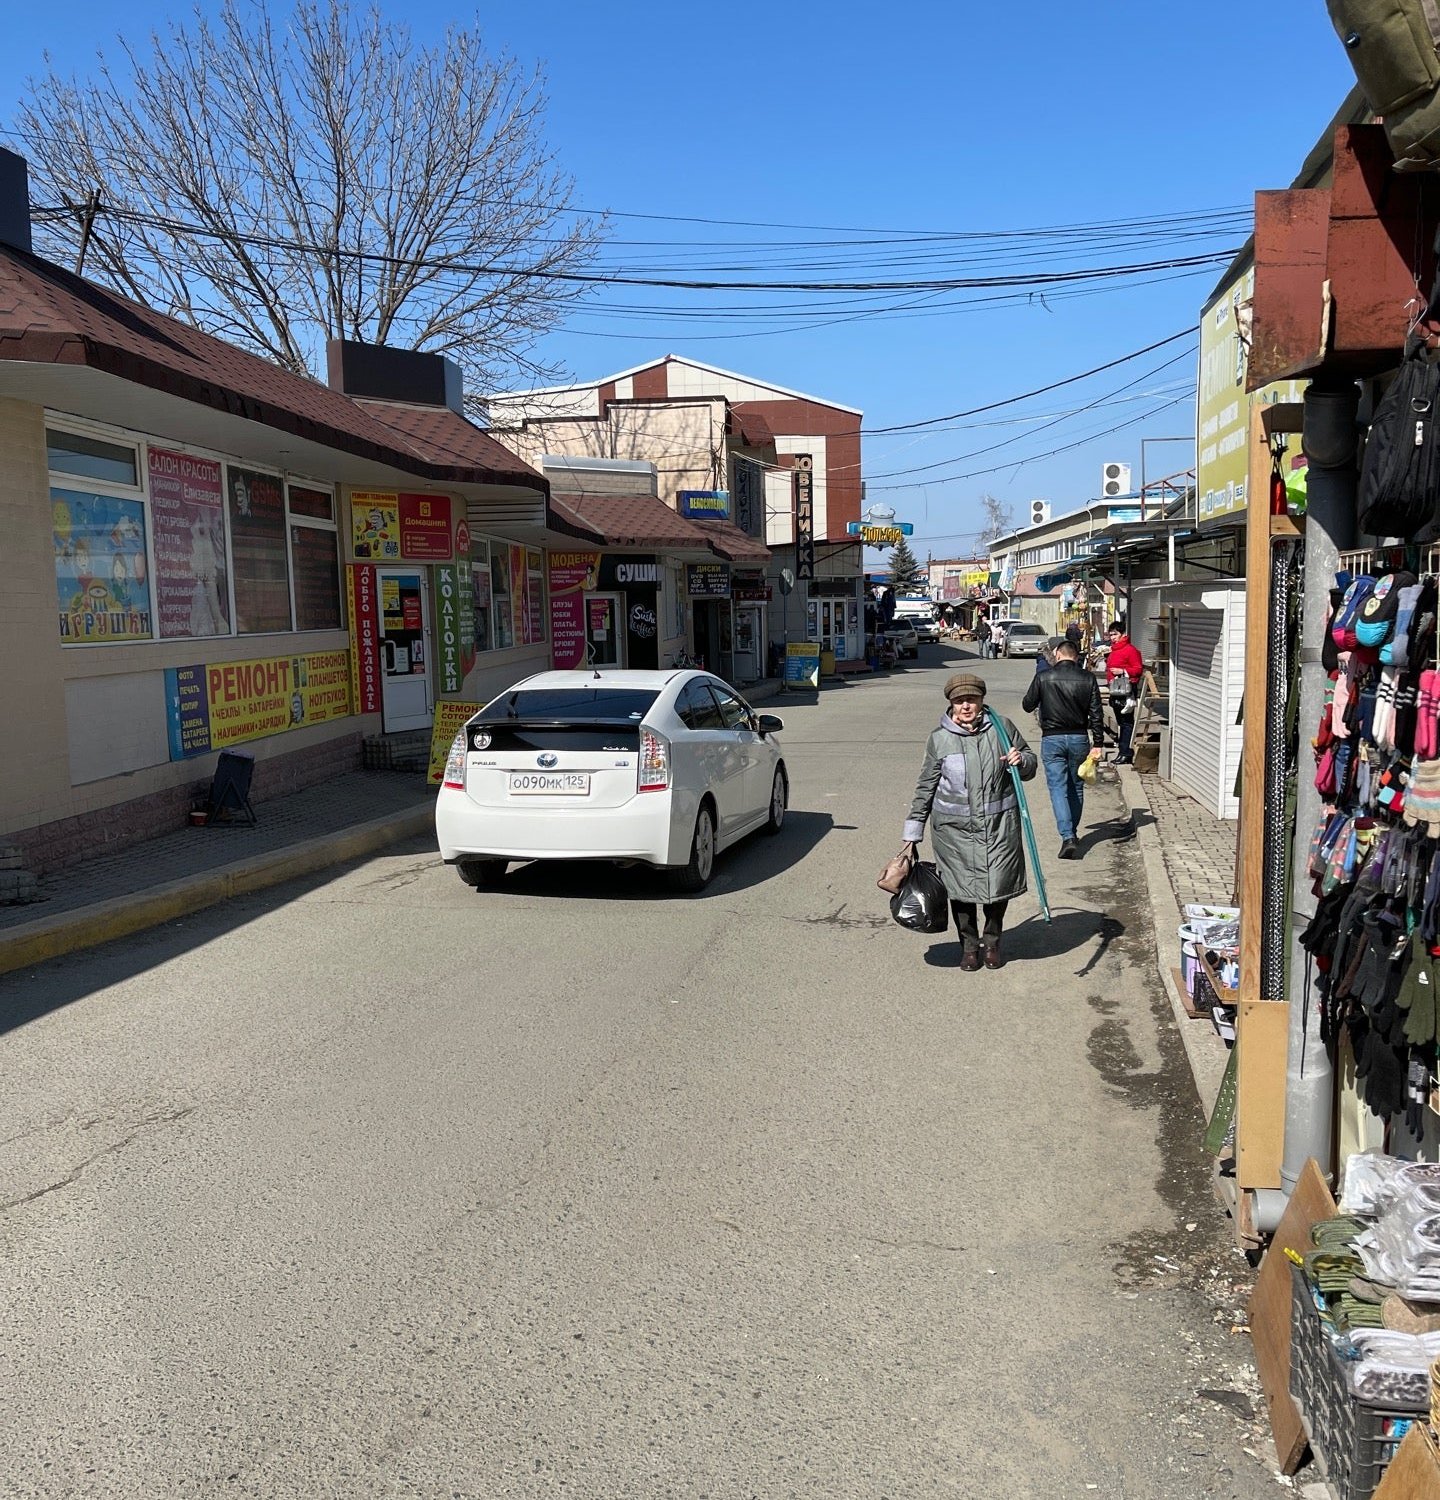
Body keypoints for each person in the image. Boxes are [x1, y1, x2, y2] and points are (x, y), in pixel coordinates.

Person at [902, 672, 1038, 971]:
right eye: (959, 701)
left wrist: (1022, 761)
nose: (966, 706)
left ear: (981, 701)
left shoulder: (1002, 729)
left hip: (999, 827)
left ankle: (992, 941)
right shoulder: (939, 739)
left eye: (972, 700)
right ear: (951, 704)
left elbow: (1029, 762)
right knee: (961, 893)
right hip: (954, 833)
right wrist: (912, 834)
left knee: (997, 887)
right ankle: (968, 945)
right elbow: (925, 787)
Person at [1021, 638, 1104, 859]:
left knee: (1058, 787)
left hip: (1052, 739)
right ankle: (1072, 833)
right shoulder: (1088, 678)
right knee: (1076, 786)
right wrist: (1098, 743)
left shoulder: (1044, 677)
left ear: (1057, 655)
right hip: (1079, 738)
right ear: (1076, 657)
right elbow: (1097, 713)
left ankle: (1067, 836)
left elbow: (1027, 704)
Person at [1104, 619, 1145, 764]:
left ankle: (1125, 752)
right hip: (1115, 689)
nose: (1112, 637)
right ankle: (1123, 750)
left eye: (1115, 634)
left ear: (1122, 634)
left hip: (1126, 690)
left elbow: (1138, 669)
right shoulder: (1114, 650)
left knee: (1126, 722)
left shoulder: (1131, 650)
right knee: (1121, 722)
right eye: (1111, 635)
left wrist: (1123, 670)